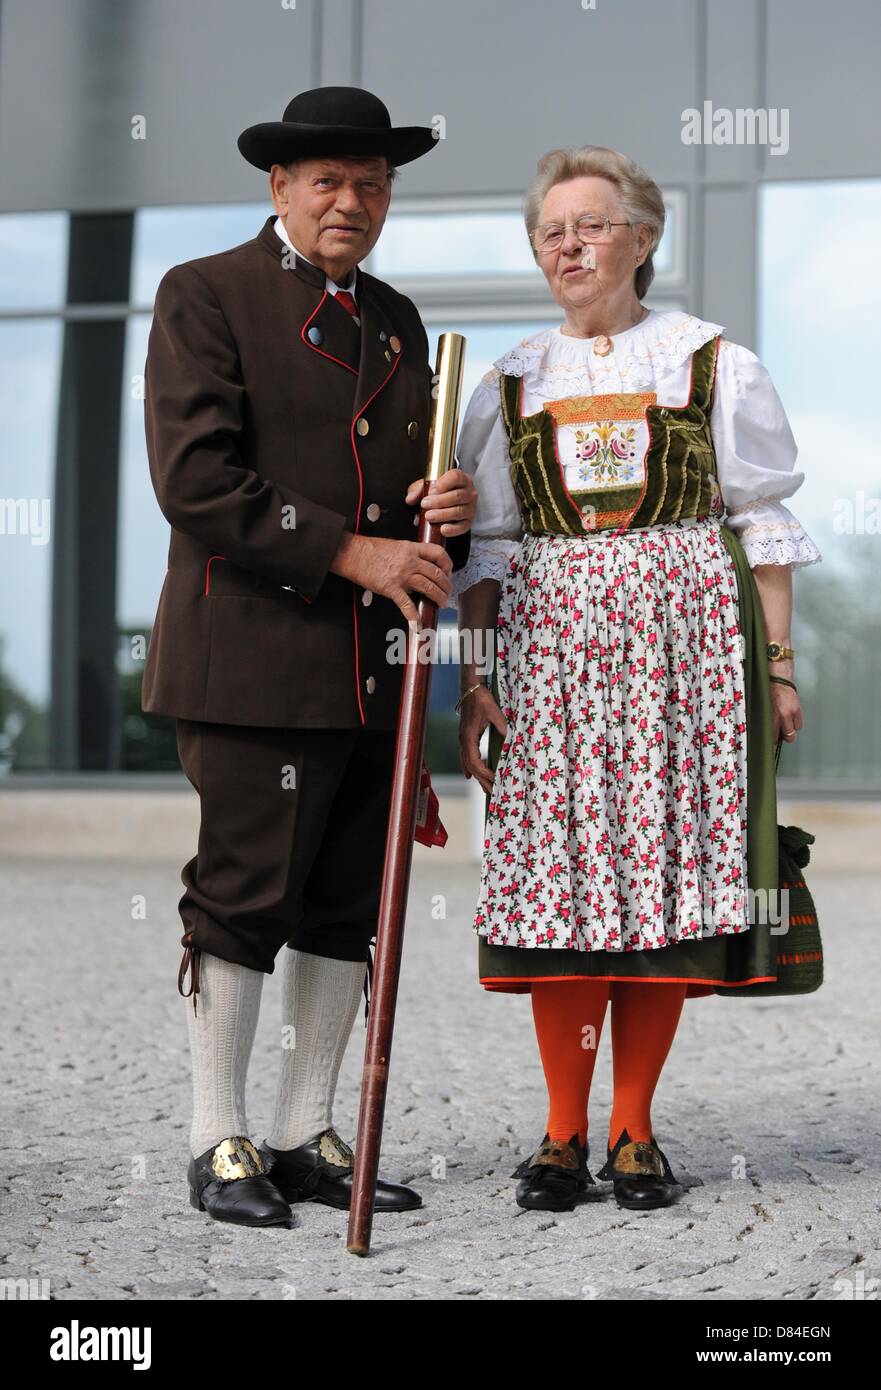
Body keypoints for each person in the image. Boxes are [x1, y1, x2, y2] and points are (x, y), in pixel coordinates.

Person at [450, 145, 821, 1214]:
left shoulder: (711, 361)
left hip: (686, 657)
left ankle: (632, 1128)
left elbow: (758, 525)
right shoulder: (508, 380)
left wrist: (779, 667)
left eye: (590, 224)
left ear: (642, 238)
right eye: (549, 230)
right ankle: (561, 1130)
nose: (566, 244)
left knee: (654, 892)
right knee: (563, 889)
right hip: (549, 658)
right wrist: (477, 681)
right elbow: (487, 548)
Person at [141, 85, 476, 1227]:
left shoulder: (394, 316)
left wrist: (448, 514)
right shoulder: (204, 295)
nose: (351, 201)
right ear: (278, 188)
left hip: (371, 667)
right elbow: (196, 484)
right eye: (327, 181)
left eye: (371, 184)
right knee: (242, 897)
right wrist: (354, 553)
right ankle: (213, 1140)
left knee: (342, 906)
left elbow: (412, 522)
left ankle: (300, 1133)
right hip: (250, 656)